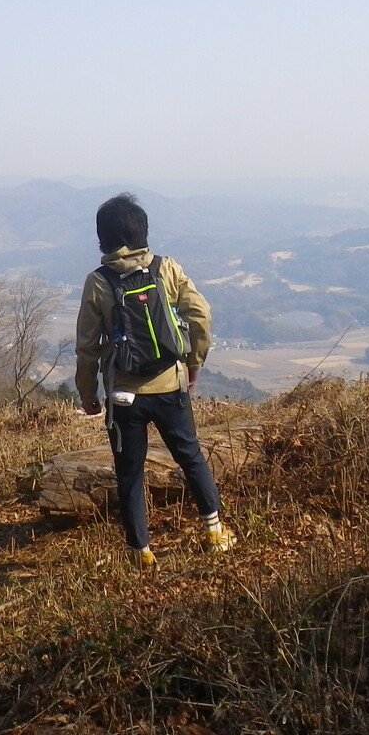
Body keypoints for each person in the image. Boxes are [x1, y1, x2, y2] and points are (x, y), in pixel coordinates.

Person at [75, 193, 235, 569]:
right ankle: (213, 531)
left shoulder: (97, 282)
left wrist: (88, 393)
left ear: (103, 239)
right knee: (190, 456)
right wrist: (193, 362)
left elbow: (86, 346)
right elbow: (201, 315)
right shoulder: (166, 268)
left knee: (130, 470)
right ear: (144, 231)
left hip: (122, 394)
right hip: (169, 386)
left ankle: (140, 551)